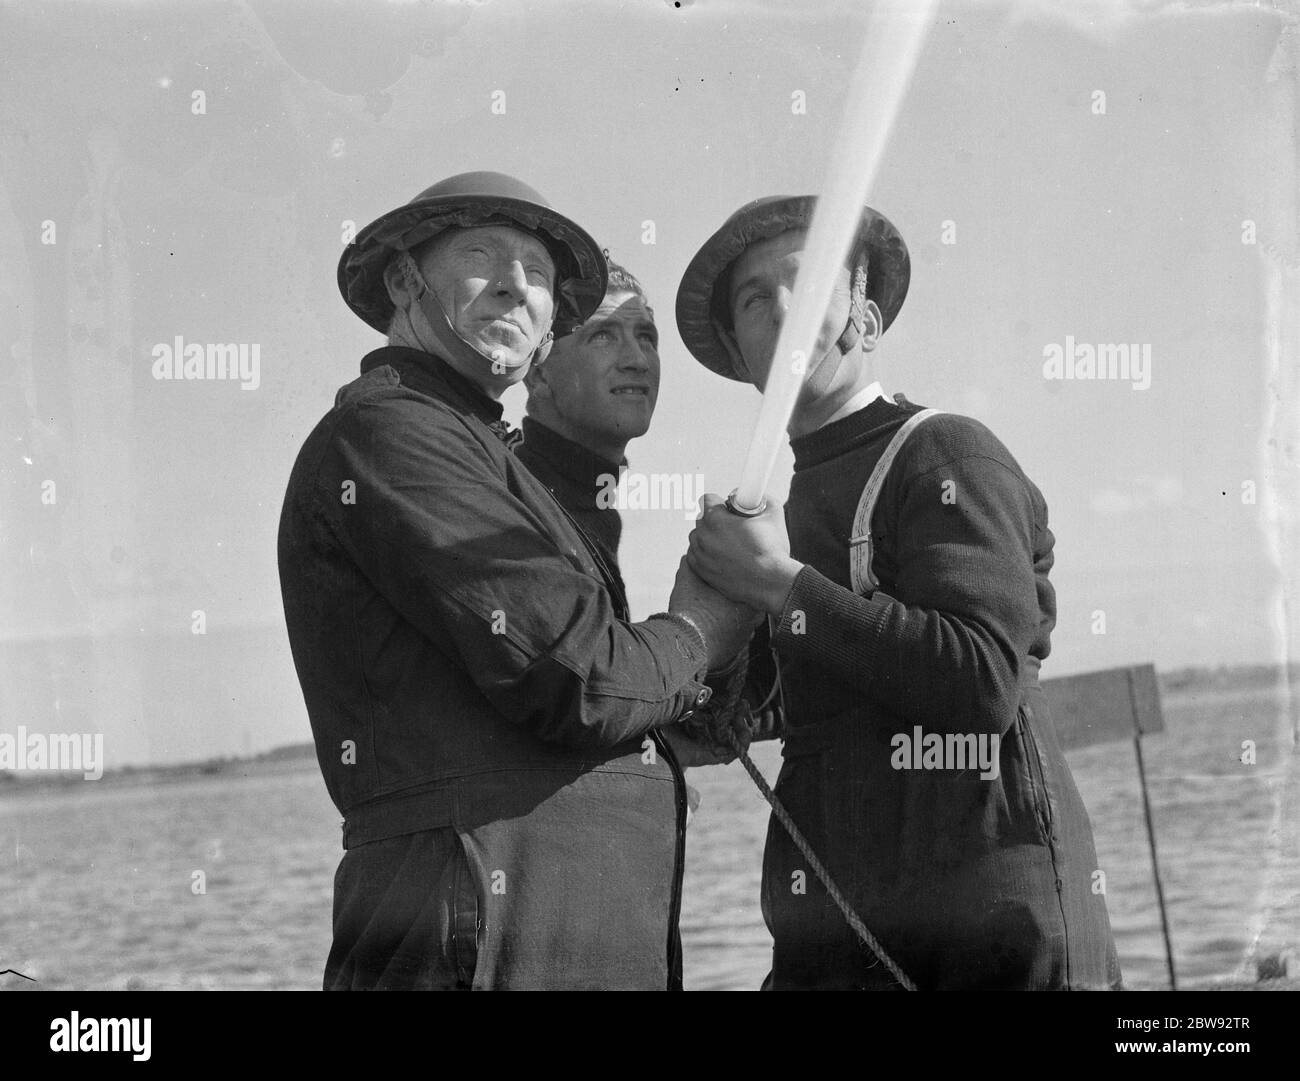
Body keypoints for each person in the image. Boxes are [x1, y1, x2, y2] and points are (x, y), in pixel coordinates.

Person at [277, 171, 754, 990]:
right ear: (403, 281)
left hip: (551, 929)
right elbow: (585, 679)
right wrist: (701, 627)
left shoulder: (482, 454)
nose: (514, 284)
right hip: (480, 935)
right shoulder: (391, 434)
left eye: (537, 274)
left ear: (545, 330)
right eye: (480, 256)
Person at [675, 195, 1123, 990]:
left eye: (808, 284)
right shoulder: (782, 507)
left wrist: (778, 585)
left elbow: (981, 678)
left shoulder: (944, 451)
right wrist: (713, 638)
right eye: (754, 300)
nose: (781, 310)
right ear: (740, 355)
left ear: (867, 323)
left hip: (986, 928)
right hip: (839, 928)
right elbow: (780, 709)